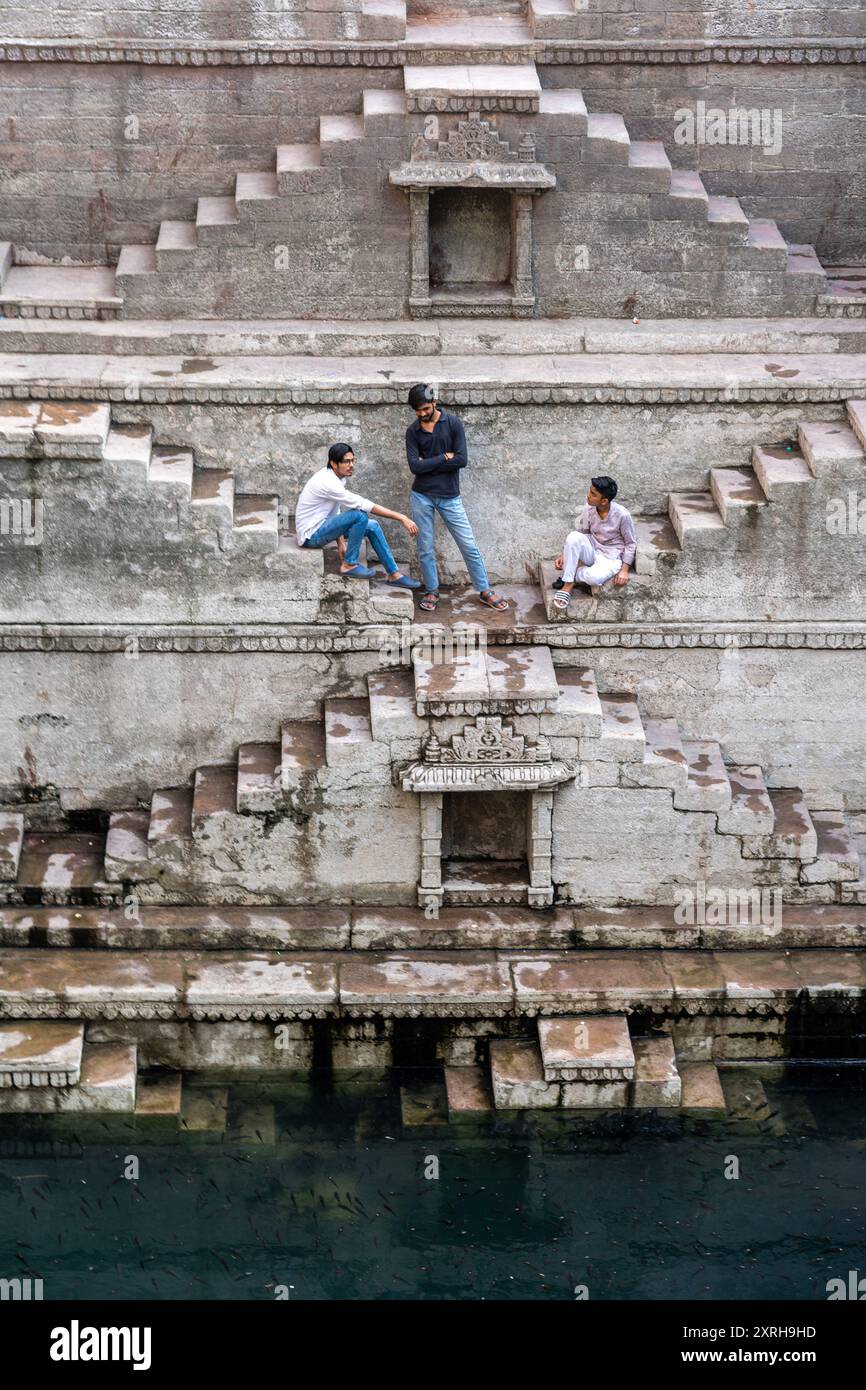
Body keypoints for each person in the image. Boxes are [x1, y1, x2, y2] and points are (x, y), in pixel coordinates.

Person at [405, 383, 508, 613]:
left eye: (424, 409)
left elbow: (461, 459)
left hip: (450, 497)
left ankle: (484, 590)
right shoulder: (413, 431)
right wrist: (443, 457)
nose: (422, 414)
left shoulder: (453, 424)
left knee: (468, 545)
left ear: (433, 402)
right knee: (425, 547)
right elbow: (414, 467)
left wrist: (427, 463)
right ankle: (432, 590)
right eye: (417, 411)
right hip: (421, 495)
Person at [295, 443, 420, 587]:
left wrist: (341, 542)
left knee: (372, 526)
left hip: (322, 526)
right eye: (347, 461)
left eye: (353, 460)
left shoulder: (336, 477)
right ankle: (349, 564)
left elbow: (334, 511)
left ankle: (394, 575)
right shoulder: (327, 482)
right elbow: (363, 504)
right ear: (334, 463)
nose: (352, 465)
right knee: (359, 515)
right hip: (311, 535)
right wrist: (402, 517)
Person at [552, 476, 635, 612]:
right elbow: (582, 532)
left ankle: (571, 573)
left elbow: (630, 543)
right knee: (573, 536)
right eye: (590, 491)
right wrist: (565, 554)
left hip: (611, 556)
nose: (588, 496)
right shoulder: (589, 507)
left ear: (604, 501)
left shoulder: (623, 515)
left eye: (593, 494)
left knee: (594, 578)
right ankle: (568, 584)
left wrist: (625, 570)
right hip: (592, 547)